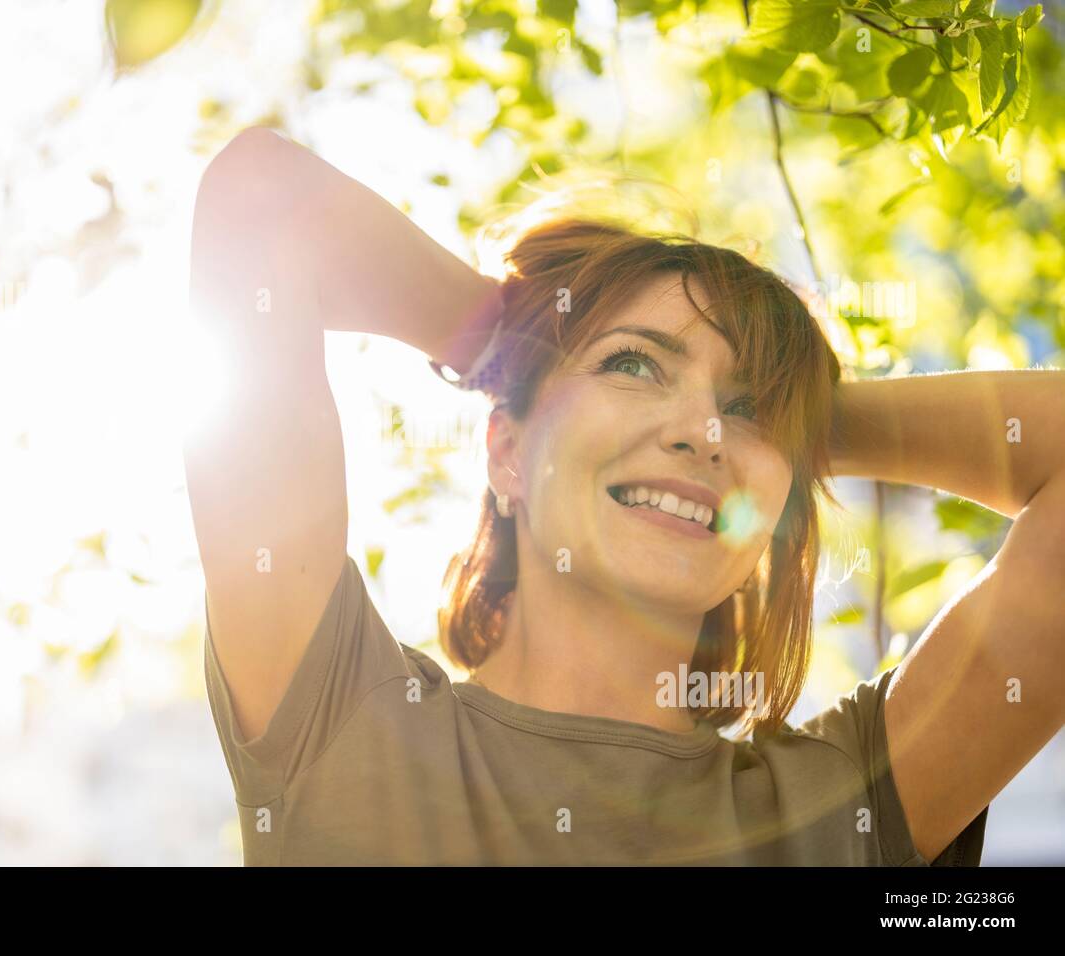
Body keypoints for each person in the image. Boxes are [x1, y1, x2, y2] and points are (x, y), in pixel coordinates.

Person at [184, 126, 1065, 865]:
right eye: (632, 364)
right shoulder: (347, 727)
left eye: (745, 408)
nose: (703, 433)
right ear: (509, 453)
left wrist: (804, 425)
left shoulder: (840, 808)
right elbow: (263, 204)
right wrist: (505, 342)